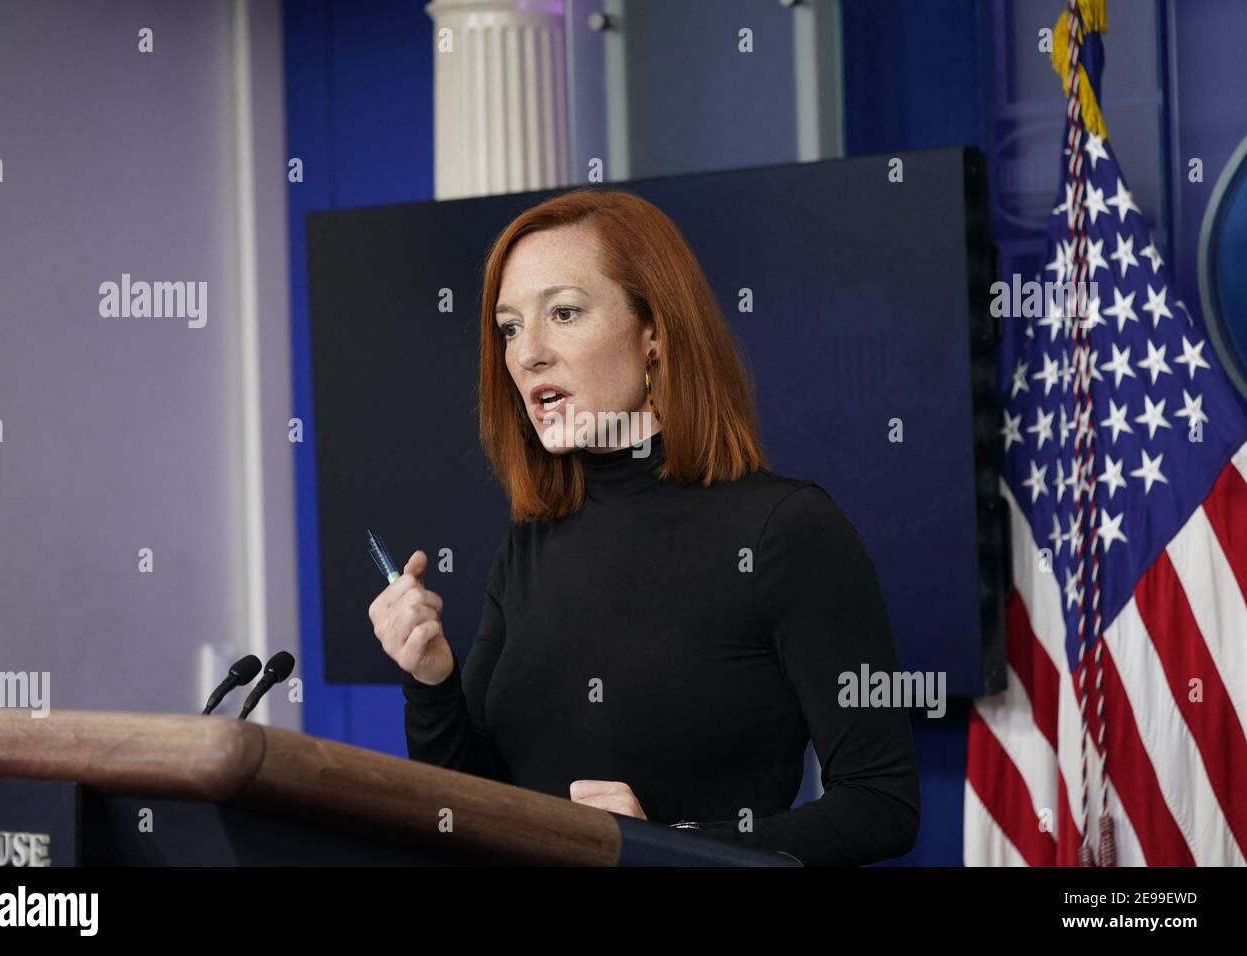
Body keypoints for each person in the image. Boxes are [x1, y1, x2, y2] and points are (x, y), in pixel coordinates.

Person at [368, 187, 919, 866]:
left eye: (562, 313)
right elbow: (475, 805)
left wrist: (664, 851)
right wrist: (430, 681)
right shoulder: (533, 541)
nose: (527, 354)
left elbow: (882, 806)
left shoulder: (786, 529)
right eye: (510, 327)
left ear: (654, 333)